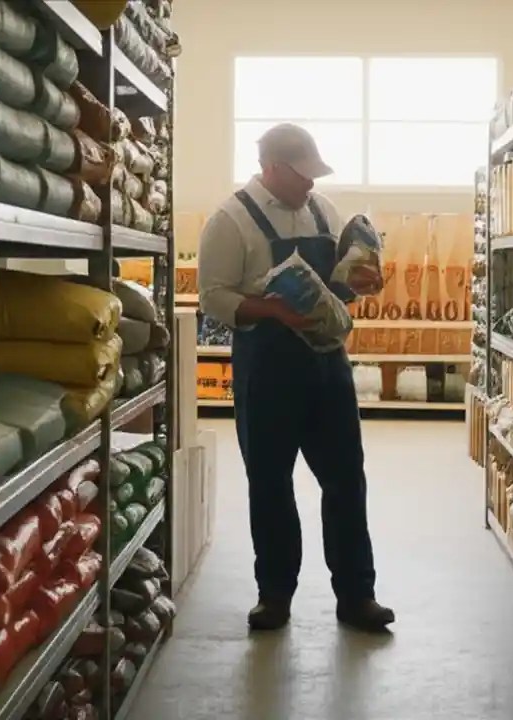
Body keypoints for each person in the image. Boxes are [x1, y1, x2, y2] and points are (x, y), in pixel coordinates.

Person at [197, 123, 395, 633]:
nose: (311, 183)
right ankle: (275, 596)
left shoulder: (322, 210)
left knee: (346, 479)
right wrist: (272, 310)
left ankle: (357, 595)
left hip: (327, 364)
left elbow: (337, 287)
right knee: (270, 483)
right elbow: (213, 297)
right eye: (303, 174)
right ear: (273, 168)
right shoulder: (229, 220)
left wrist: (361, 281)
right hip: (267, 368)